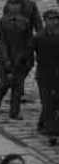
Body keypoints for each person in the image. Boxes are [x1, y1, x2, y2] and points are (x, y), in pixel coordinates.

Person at [0, 0, 34, 119]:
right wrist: (6, 59)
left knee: (18, 85)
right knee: (4, 84)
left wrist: (26, 56)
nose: (15, 7)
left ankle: (14, 112)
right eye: (12, 5)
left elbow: (28, 40)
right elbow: (1, 41)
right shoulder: (1, 22)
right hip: (5, 57)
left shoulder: (25, 22)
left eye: (17, 5)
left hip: (20, 59)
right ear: (8, 6)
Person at [33, 9, 59, 143]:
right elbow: (30, 54)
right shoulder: (39, 37)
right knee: (48, 103)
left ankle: (43, 124)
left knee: (55, 102)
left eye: (56, 19)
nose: (54, 22)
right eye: (50, 19)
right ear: (45, 21)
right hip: (44, 75)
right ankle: (52, 133)